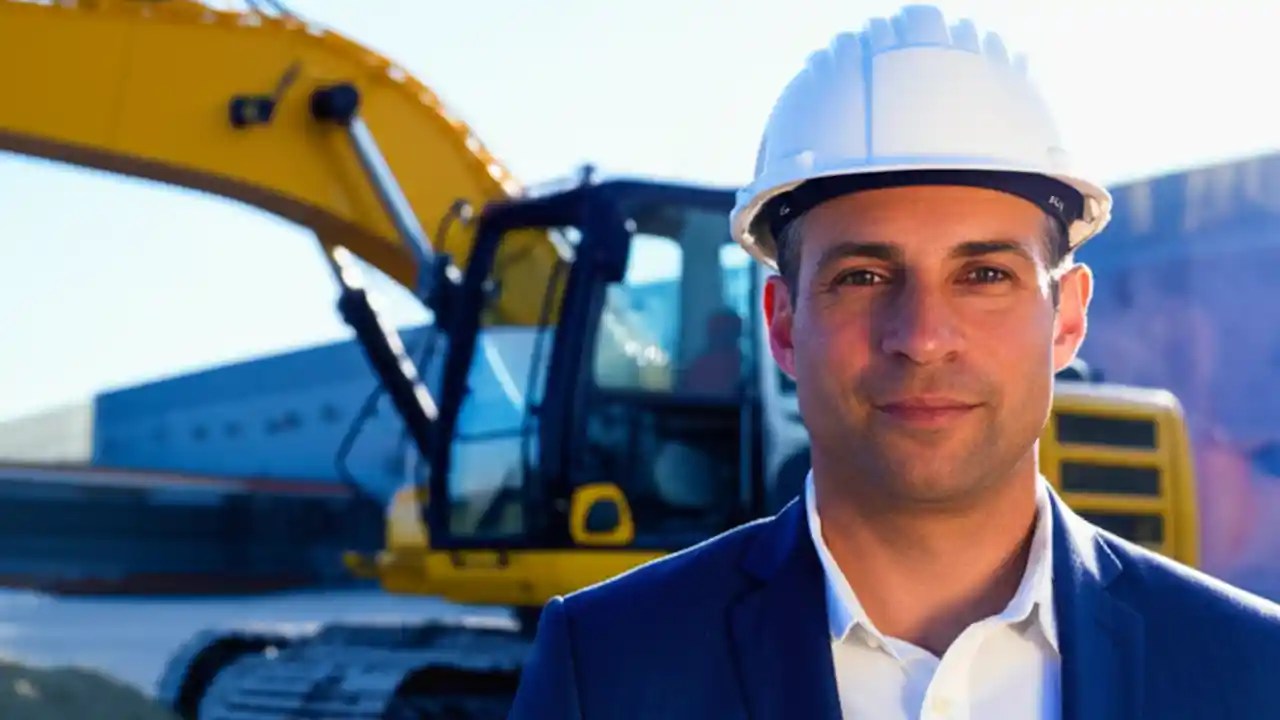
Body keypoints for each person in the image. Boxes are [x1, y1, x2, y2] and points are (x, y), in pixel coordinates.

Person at [508, 6, 1280, 719]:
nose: (922, 335)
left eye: (984, 275)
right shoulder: (607, 666)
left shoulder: (1250, 668)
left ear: (1067, 319)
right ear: (782, 323)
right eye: (863, 277)